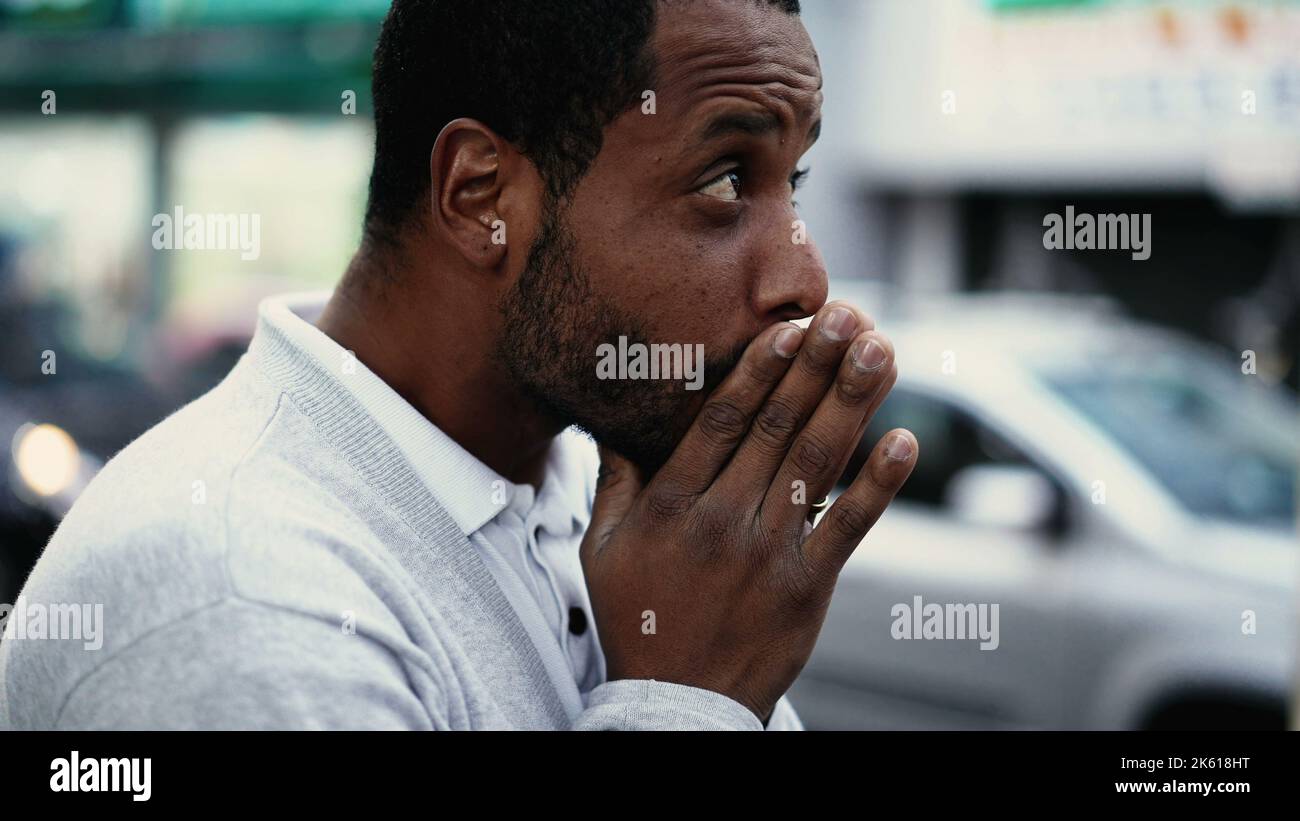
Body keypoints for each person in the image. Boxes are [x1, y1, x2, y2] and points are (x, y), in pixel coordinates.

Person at [0, 0, 916, 730]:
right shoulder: (244, 597)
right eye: (725, 180)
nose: (805, 277)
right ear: (481, 195)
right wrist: (689, 698)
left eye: (789, 183)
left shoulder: (599, 497)